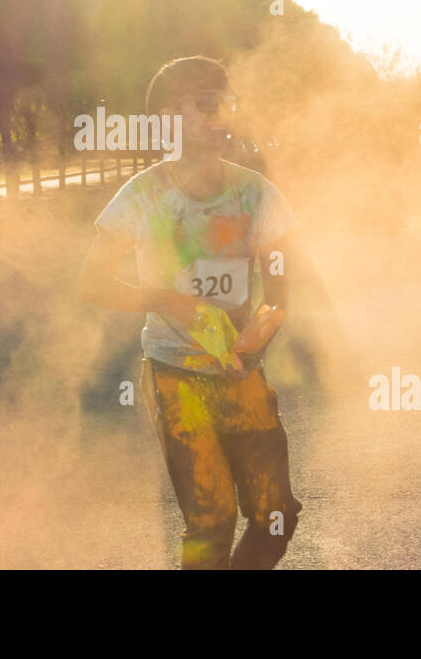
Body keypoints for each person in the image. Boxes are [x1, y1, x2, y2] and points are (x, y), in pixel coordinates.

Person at [78, 56, 300, 569]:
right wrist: (165, 298)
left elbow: (280, 291)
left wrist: (257, 338)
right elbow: (90, 283)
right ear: (166, 118)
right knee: (212, 518)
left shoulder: (256, 193)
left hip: (240, 371)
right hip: (175, 376)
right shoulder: (143, 196)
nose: (222, 116)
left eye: (229, 103)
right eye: (206, 105)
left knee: (276, 516)